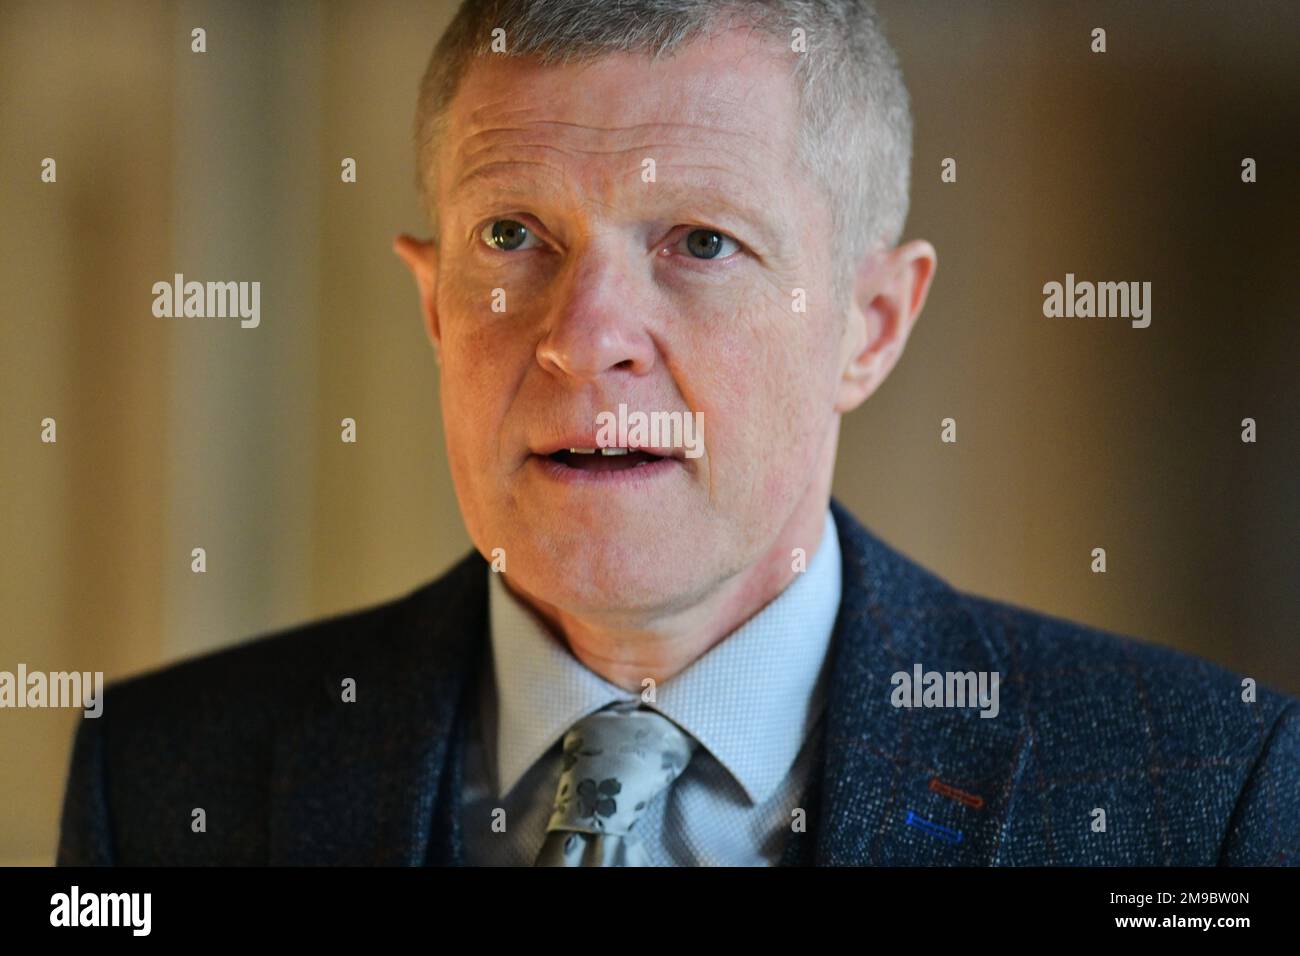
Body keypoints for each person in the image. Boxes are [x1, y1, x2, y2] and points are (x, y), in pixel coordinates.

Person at [58, 0, 1298, 867]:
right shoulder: (163, 780)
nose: (583, 336)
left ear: (869, 325)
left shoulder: (1200, 792)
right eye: (510, 236)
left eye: (701, 241)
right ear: (434, 304)